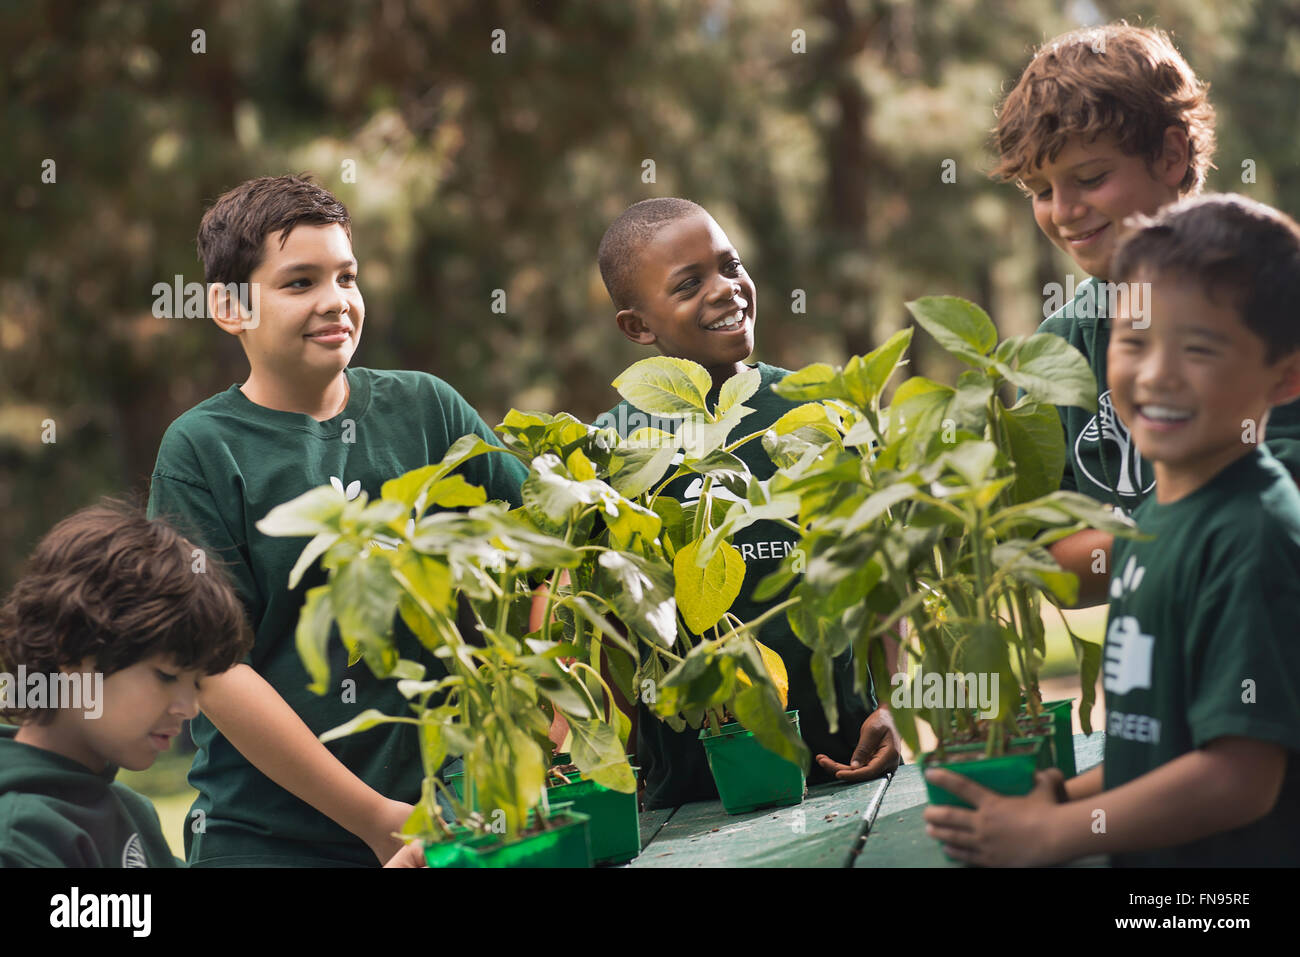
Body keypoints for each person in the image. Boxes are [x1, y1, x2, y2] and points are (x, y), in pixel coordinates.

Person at [147, 174, 526, 866]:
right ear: (228, 307)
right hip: (270, 838)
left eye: (346, 276)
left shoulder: (428, 409)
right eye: (299, 283)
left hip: (447, 817)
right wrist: (375, 819)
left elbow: (543, 550)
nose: (336, 302)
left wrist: (544, 718)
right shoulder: (201, 449)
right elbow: (215, 666)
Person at [923, 194, 1300, 866]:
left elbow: (1240, 777)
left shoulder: (1252, 535)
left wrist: (1055, 833)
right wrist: (1062, 798)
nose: (1157, 373)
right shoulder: (1155, 519)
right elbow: (1156, 747)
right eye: (1134, 340)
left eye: (1200, 348)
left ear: (1287, 373)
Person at [595, 198, 901, 809]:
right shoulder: (617, 448)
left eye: (730, 265)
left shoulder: (811, 409)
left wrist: (900, 705)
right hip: (691, 794)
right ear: (638, 327)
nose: (725, 290)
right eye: (689, 284)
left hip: (848, 762)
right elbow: (609, 629)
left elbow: (883, 582)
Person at [990, 23, 1300, 606]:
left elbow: (1281, 496)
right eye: (1040, 191)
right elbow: (1046, 561)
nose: (1065, 212)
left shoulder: (1267, 295)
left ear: (1171, 155)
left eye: (1090, 178)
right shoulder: (1057, 347)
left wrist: (1133, 534)